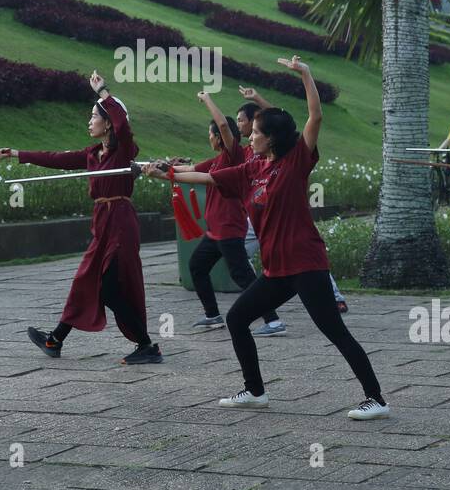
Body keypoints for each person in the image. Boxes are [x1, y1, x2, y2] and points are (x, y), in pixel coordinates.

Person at [147, 57, 389, 419]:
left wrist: (306, 74)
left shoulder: (295, 162)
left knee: (334, 331)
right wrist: (167, 175)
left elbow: (315, 118)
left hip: (305, 264)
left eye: (257, 132)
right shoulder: (252, 168)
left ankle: (377, 399)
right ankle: (256, 391)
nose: (251, 135)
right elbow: (212, 178)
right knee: (238, 318)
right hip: (276, 269)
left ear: (272, 137)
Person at [0, 72, 162, 364]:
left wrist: (104, 93)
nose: (89, 121)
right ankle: (55, 339)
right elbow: (56, 158)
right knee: (86, 280)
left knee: (107, 286)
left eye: (94, 116)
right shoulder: (92, 154)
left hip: (120, 223)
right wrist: (16, 154)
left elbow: (123, 127)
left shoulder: (124, 150)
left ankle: (144, 345)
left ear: (107, 122)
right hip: (102, 224)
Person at [169, 91, 285, 336]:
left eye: (210, 135)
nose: (210, 138)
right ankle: (212, 315)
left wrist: (206, 98)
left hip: (229, 228)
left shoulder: (234, 156)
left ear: (219, 138)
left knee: (242, 275)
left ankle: (273, 321)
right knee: (197, 266)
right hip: (215, 232)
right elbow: (189, 169)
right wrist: (163, 167)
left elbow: (223, 124)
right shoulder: (215, 161)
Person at [236, 86, 349, 312]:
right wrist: (171, 173)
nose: (240, 126)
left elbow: (295, 121)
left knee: (332, 325)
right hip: (265, 221)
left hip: (293, 236)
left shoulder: (291, 157)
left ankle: (333, 296)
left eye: (242, 121)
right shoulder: (253, 154)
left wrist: (303, 75)